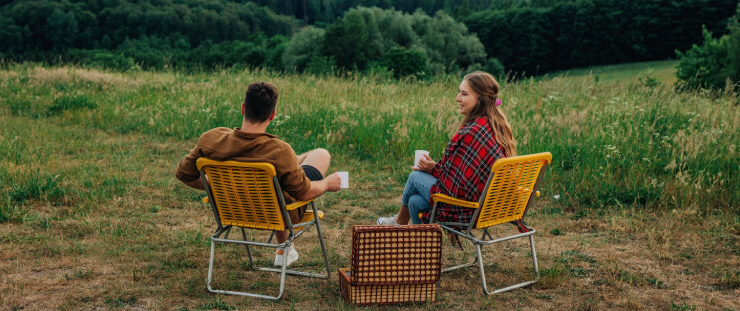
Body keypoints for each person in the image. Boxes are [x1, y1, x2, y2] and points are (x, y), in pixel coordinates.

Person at [175, 81, 342, 267]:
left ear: (243, 108)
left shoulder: (211, 139)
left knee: (288, 166)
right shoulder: (279, 151)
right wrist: (328, 183)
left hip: (233, 208)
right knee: (321, 154)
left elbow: (183, 173)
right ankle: (284, 247)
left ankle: (284, 248)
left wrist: (214, 185)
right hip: (276, 214)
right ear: (272, 115)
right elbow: (304, 193)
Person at [377, 71, 517, 226]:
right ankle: (419, 244)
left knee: (414, 177)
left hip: (469, 209)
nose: (458, 98)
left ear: (480, 99)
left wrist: (434, 169)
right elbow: (461, 175)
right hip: (489, 206)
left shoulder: (473, 131)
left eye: (464, 94)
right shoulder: (493, 125)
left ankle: (399, 221)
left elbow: (454, 187)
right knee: (414, 201)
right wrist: (434, 168)